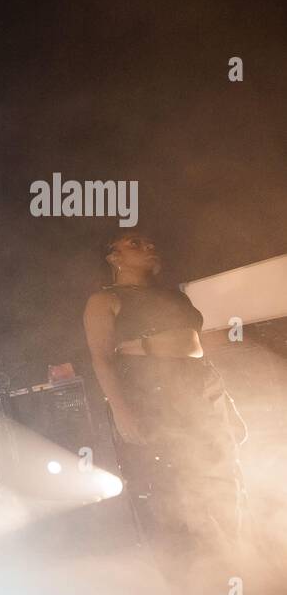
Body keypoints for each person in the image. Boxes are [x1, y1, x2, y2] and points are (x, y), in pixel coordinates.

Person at [82, 232, 244, 554]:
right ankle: (190, 572)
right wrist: (122, 411)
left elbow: (197, 350)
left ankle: (238, 554)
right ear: (113, 258)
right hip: (153, 394)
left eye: (149, 242)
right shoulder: (104, 300)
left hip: (200, 388)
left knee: (223, 470)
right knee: (174, 479)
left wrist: (227, 402)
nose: (149, 246)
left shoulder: (176, 297)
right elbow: (101, 358)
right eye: (134, 244)